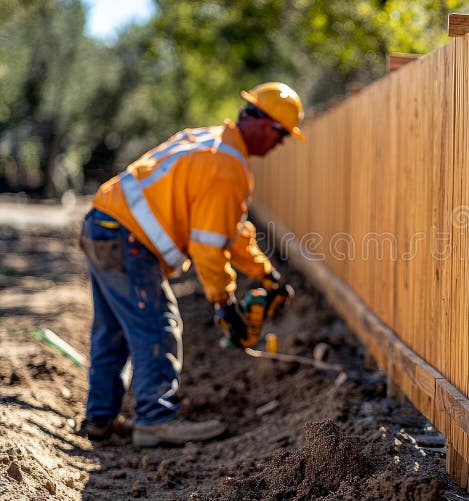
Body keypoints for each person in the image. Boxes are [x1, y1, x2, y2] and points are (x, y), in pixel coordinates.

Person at [79, 83, 304, 447]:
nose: (280, 145)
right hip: (127, 240)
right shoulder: (226, 166)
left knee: (113, 330)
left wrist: (267, 275)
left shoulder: (210, 141)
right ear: (266, 125)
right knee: (158, 326)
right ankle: (155, 419)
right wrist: (224, 302)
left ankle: (100, 420)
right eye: (282, 137)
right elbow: (208, 246)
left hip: (104, 225)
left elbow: (230, 231)